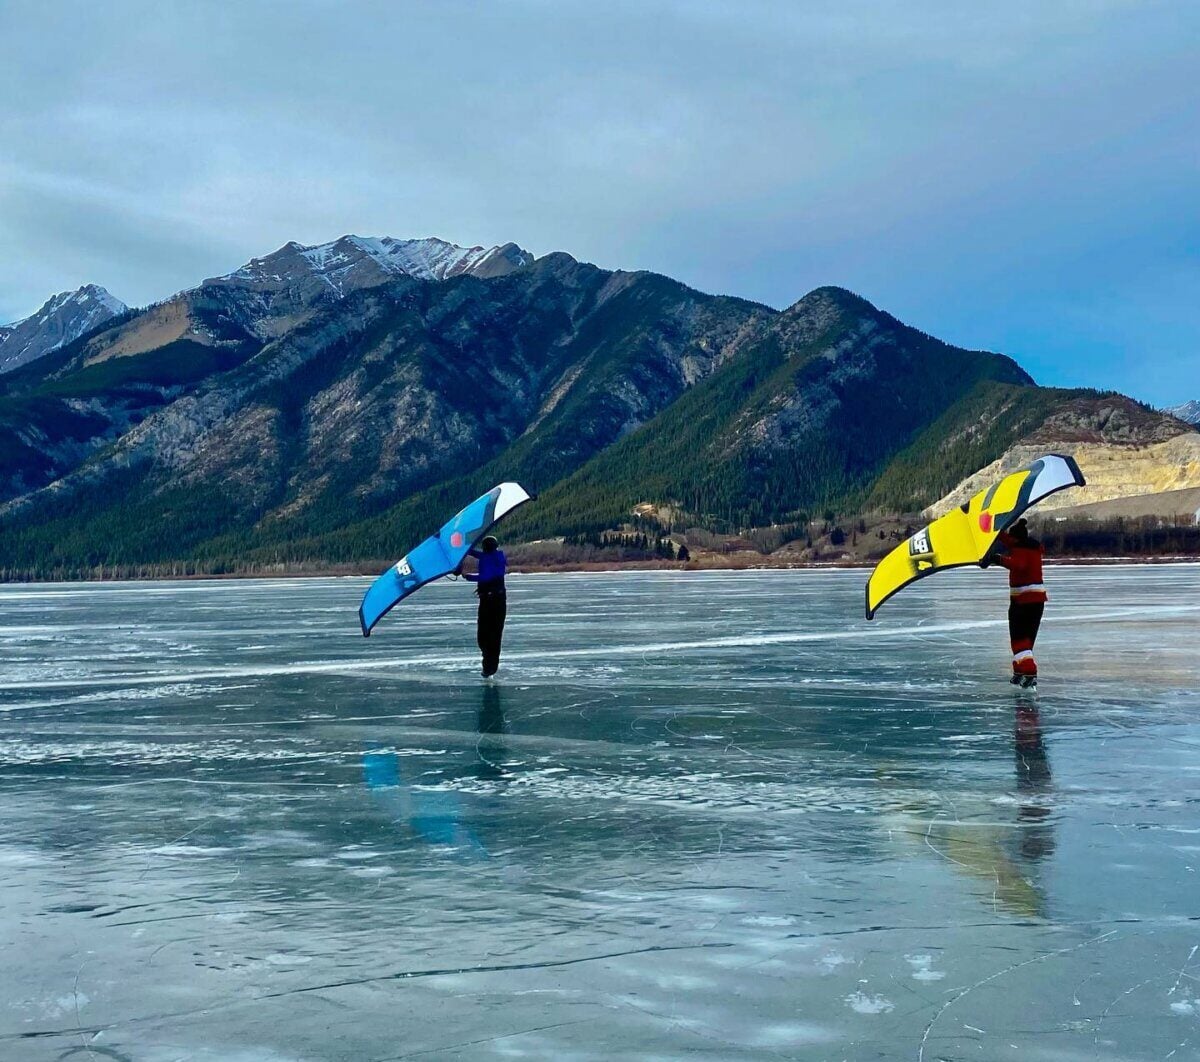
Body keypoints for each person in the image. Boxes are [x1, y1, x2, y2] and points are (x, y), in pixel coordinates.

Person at [995, 518, 1046, 688]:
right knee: (1027, 639)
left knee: (1018, 638)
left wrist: (998, 559)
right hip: (1037, 601)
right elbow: (1008, 540)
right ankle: (1020, 670)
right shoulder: (1031, 547)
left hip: (1022, 601)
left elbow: (1019, 564)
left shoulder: (1021, 549)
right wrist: (995, 530)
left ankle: (1029, 671)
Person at [461, 535, 507, 677]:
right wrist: (465, 549)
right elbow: (478, 555)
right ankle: (488, 666)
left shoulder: (495, 558)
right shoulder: (490, 556)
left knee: (491, 635)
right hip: (489, 599)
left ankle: (490, 667)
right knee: (485, 635)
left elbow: (486, 576)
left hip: (494, 599)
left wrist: (467, 576)